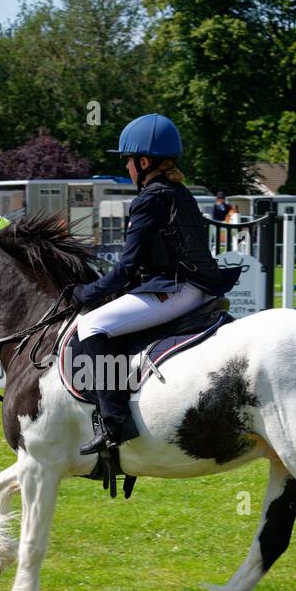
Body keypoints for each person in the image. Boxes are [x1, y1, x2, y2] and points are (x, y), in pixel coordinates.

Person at [70, 113, 243, 455]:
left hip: (174, 291)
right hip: (199, 289)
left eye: (129, 162)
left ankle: (114, 422)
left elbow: (125, 267)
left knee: (91, 325)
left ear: (144, 162)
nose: (128, 169)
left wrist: (85, 293)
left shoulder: (149, 199)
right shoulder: (180, 193)